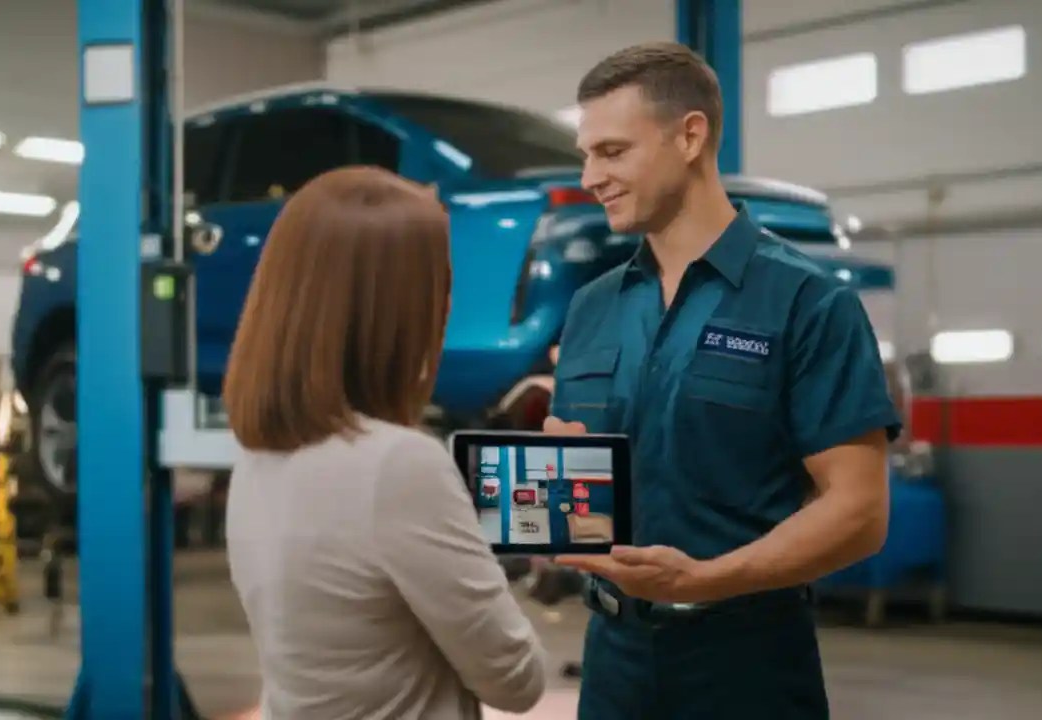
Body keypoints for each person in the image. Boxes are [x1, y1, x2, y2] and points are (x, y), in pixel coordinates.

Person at [547, 42, 902, 719]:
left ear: (690, 136)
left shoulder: (807, 302)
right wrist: (560, 494)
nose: (591, 177)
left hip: (746, 665)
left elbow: (858, 512)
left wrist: (709, 580)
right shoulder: (593, 308)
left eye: (613, 152)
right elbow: (591, 499)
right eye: (586, 155)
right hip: (613, 661)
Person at [222, 166, 546, 719]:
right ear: (395, 311)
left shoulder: (256, 456)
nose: (447, 307)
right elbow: (517, 681)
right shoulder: (398, 466)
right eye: (440, 285)